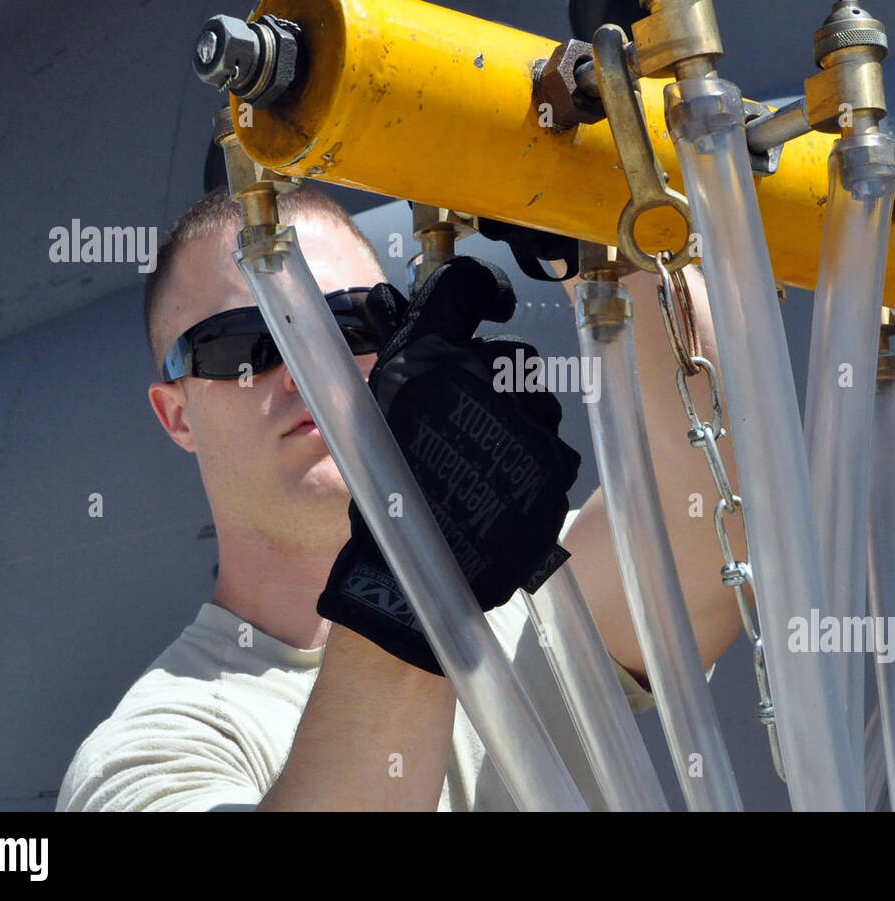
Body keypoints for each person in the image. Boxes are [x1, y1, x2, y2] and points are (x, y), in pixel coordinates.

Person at [57, 184, 747, 811]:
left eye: (348, 326)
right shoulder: (153, 749)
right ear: (176, 415)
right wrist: (413, 568)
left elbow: (721, 507)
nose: (306, 367)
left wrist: (607, 231)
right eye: (242, 347)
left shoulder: (527, 599)